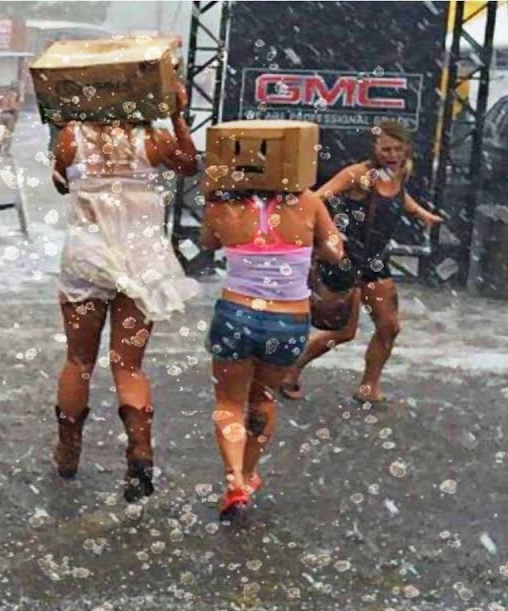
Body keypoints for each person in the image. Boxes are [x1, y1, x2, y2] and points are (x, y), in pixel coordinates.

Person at [50, 81, 199, 502]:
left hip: (87, 261)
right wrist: (176, 113)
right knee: (128, 366)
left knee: (79, 360)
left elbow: (61, 182)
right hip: (142, 264)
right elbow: (190, 165)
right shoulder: (154, 140)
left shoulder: (71, 137)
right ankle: (140, 451)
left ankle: (68, 451)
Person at [201, 183, 347, 523]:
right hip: (288, 319)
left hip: (237, 313)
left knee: (229, 403)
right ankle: (248, 473)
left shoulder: (224, 201)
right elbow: (335, 253)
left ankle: (234, 481)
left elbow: (208, 242)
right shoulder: (308, 202)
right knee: (263, 398)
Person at [280, 121, 442, 404]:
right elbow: (315, 200)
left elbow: (400, 196)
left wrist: (421, 214)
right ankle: (291, 370)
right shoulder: (357, 174)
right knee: (343, 332)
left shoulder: (401, 170)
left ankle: (368, 386)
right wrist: (328, 232)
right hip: (346, 259)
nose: (392, 155)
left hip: (375, 260)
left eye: (398, 149)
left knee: (389, 326)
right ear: (374, 148)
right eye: (386, 149)